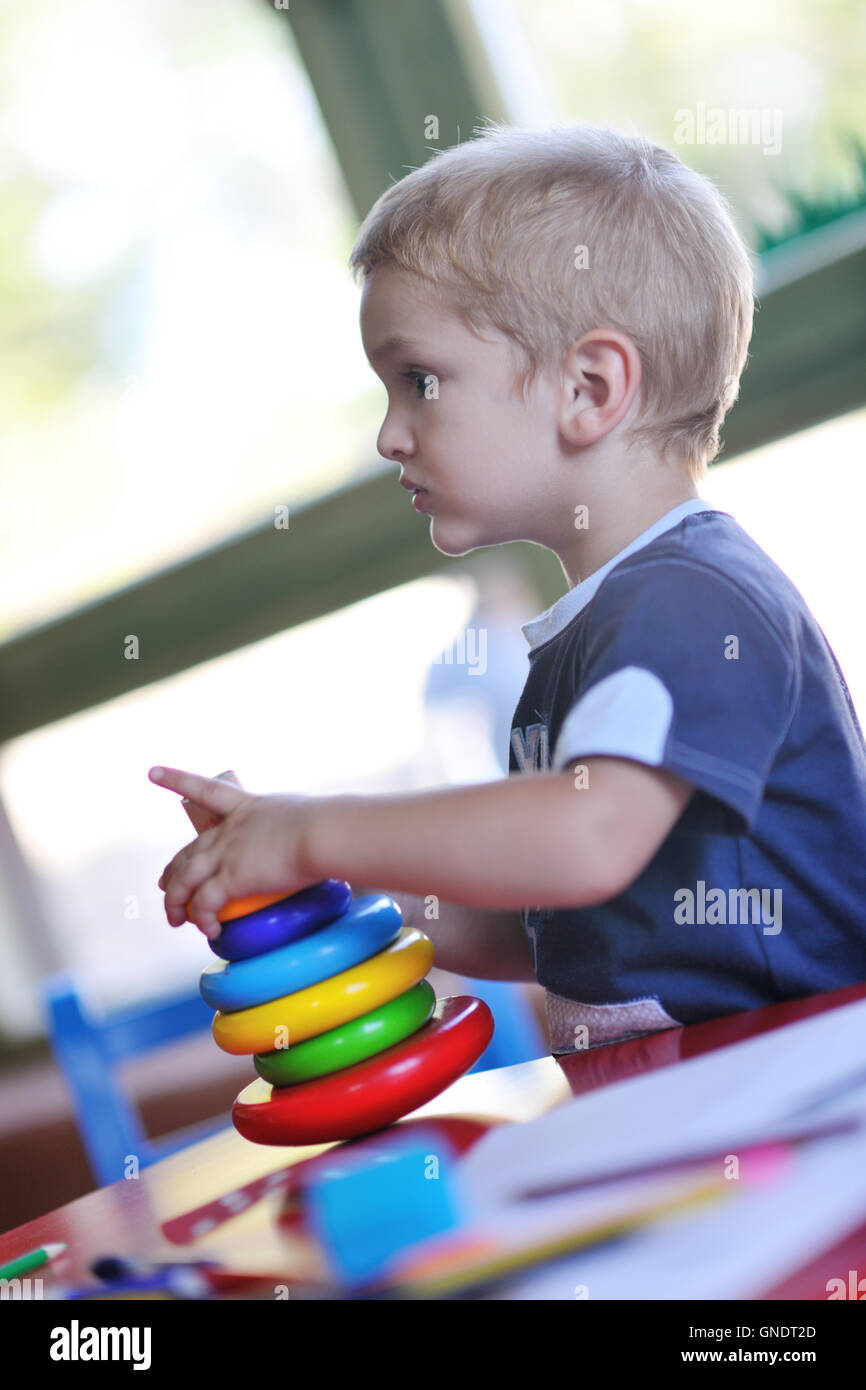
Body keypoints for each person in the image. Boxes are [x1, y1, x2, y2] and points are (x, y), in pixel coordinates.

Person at [153, 121, 866, 1052]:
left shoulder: (696, 602)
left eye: (419, 381)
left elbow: (586, 840)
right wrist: (318, 873)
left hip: (801, 1097)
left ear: (589, 386)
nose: (389, 436)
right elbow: (538, 924)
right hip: (688, 1108)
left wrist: (310, 832)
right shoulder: (590, 636)